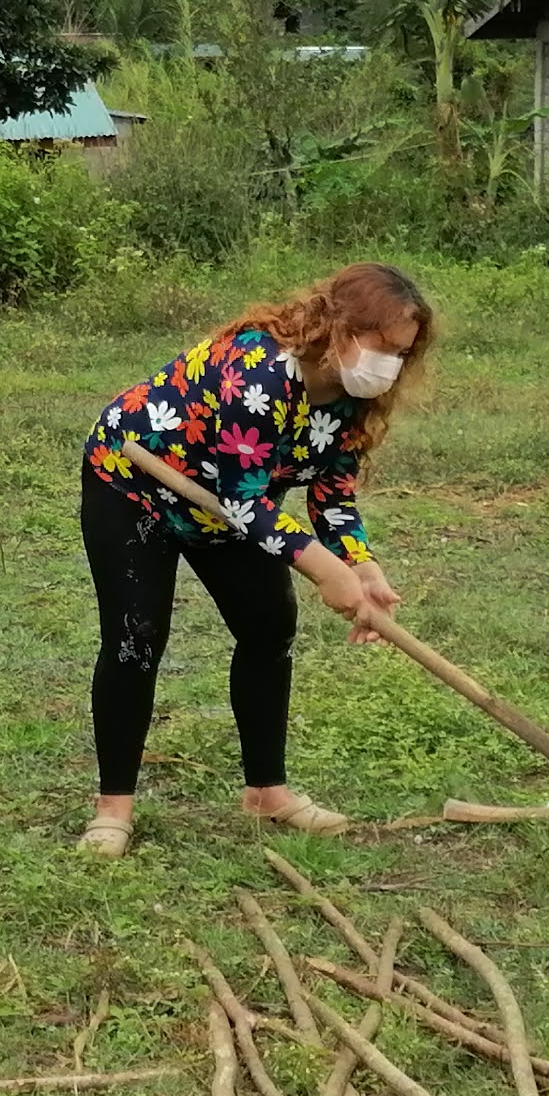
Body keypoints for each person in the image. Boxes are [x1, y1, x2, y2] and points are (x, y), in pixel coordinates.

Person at [77, 262, 437, 857]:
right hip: (136, 482)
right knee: (136, 636)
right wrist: (324, 570)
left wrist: (361, 564)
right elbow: (245, 501)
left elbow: (333, 492)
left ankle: (267, 792)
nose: (389, 366)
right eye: (382, 347)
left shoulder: (353, 399)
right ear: (340, 329)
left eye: (401, 354)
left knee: (269, 626)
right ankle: (113, 808)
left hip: (227, 506)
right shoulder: (260, 372)